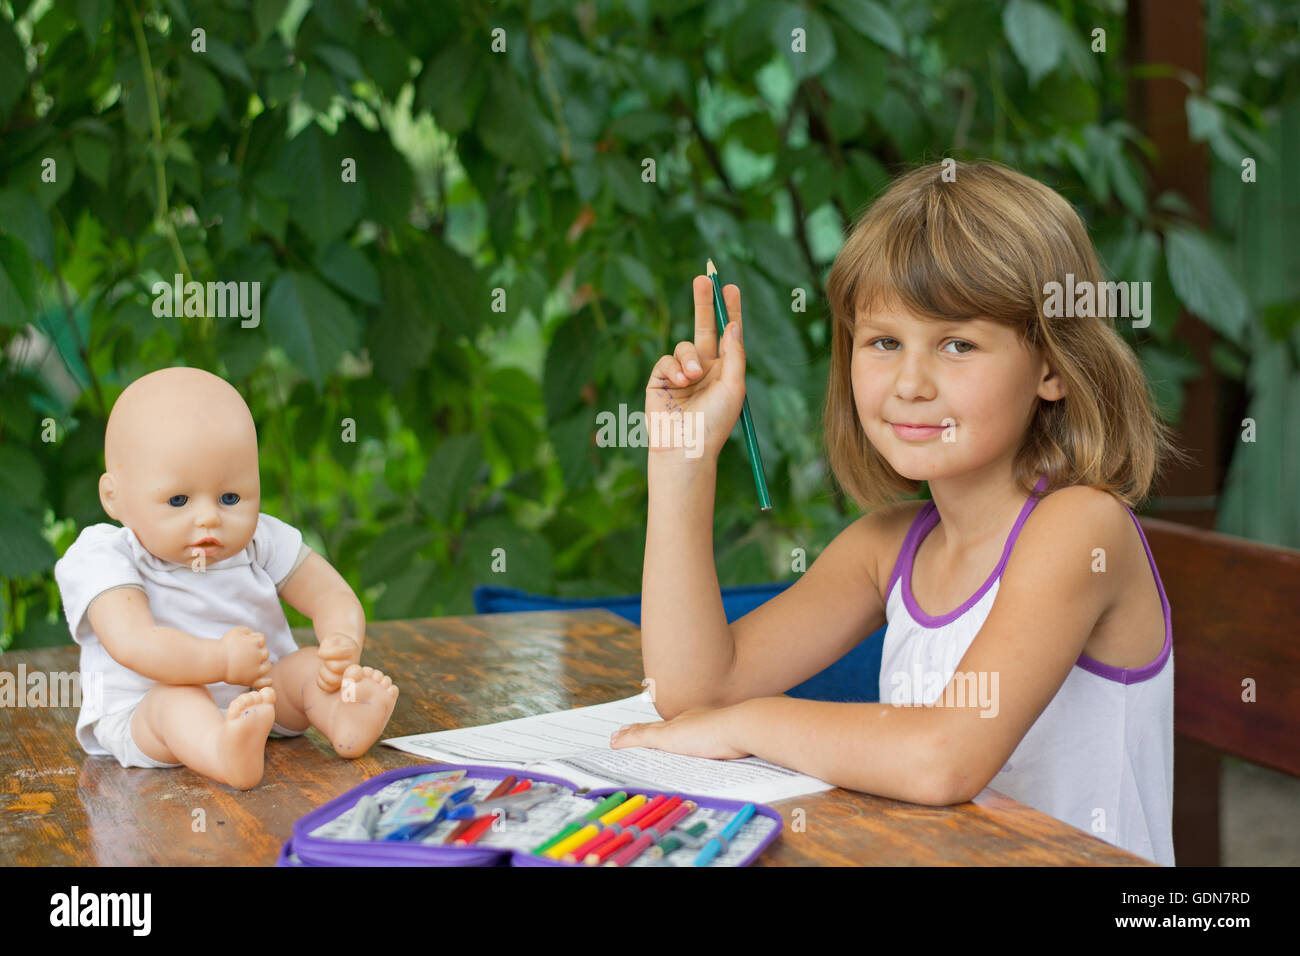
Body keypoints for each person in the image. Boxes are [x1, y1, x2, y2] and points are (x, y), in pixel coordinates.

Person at [612, 160, 1186, 866]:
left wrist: (746, 724)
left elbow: (943, 758)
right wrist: (682, 462)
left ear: (1052, 367)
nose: (910, 384)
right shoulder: (888, 546)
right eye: (884, 342)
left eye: (957, 344)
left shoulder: (1080, 529)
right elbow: (691, 691)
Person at [54, 367, 399, 790]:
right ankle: (221, 749)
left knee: (306, 667)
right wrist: (219, 661)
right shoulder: (106, 555)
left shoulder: (260, 539)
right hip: (147, 711)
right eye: (178, 500)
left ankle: (343, 717)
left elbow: (329, 593)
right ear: (114, 496)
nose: (209, 517)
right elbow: (134, 642)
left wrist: (342, 642)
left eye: (230, 497)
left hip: (260, 697)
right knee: (176, 701)